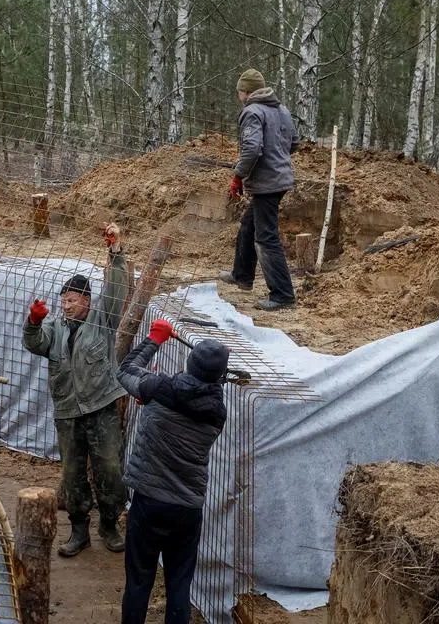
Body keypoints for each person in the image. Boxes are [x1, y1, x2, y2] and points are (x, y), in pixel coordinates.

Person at [23, 223, 129, 557]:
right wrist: (34, 321)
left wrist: (115, 254)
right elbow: (34, 344)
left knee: (109, 468)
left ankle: (110, 525)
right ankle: (79, 530)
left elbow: (116, 290)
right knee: (71, 474)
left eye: (72, 300)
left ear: (86, 300)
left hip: (101, 407)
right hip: (68, 412)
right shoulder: (54, 326)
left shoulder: (102, 319)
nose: (65, 306)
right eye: (62, 301)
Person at [115, 318, 230, 624]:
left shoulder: (160, 388)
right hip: (187, 509)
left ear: (188, 363)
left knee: (139, 580)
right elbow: (195, 394)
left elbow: (125, 371)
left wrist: (155, 339)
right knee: (180, 585)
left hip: (149, 502)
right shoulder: (218, 413)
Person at [218, 67, 300, 310]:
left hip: (267, 183)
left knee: (266, 239)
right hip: (279, 178)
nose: (239, 96)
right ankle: (242, 275)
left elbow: (252, 148)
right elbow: (294, 143)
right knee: (248, 225)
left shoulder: (251, 111)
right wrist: (277, 157)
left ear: (245, 91)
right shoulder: (282, 110)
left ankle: (283, 295)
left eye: (239, 92)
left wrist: (238, 176)